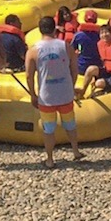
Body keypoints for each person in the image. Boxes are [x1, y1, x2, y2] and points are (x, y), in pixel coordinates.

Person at [25, 16, 84, 168]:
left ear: (39, 30)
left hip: (47, 96)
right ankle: (76, 151)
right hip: (65, 93)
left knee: (48, 129)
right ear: (55, 29)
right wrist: (72, 85)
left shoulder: (33, 50)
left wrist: (32, 94)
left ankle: (50, 159)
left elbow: (29, 75)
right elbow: (74, 69)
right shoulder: (65, 46)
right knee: (70, 123)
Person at [71, 10, 103, 97]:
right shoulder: (100, 35)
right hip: (97, 65)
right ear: (96, 20)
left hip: (81, 67)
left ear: (85, 20)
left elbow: (71, 49)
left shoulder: (78, 35)